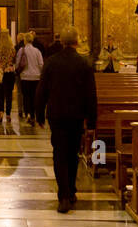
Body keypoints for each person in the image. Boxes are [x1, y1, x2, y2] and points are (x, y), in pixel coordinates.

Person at [35, 27, 97, 214]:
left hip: (57, 115)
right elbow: (91, 95)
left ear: (62, 42)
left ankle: (64, 195)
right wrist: (92, 122)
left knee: (59, 154)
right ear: (77, 42)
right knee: (73, 154)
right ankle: (70, 191)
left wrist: (39, 114)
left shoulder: (52, 62)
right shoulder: (84, 63)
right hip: (76, 116)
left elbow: (41, 90)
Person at [16, 32, 44, 124]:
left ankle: (27, 113)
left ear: (24, 40)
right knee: (33, 96)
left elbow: (17, 63)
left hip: (25, 77)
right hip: (36, 77)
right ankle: (33, 114)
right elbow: (41, 64)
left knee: (26, 96)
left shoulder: (21, 50)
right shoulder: (37, 51)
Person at [0, 28, 16, 122]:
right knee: (9, 95)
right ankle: (8, 114)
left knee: (0, 94)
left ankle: (0, 113)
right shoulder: (12, 49)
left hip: (0, 73)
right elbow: (14, 60)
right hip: (10, 73)